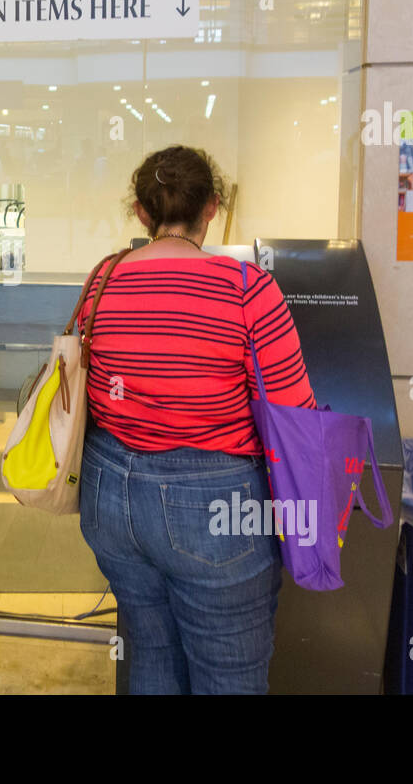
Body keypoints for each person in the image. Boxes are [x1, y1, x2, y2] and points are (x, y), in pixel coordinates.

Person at [75, 144, 316, 695]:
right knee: (228, 672)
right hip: (213, 506)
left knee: (153, 656)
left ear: (141, 211)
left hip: (111, 497)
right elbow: (294, 417)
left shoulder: (103, 280)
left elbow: (95, 391)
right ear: (213, 206)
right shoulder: (248, 288)